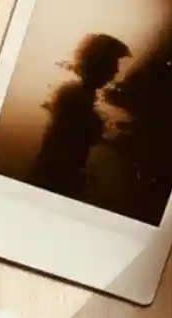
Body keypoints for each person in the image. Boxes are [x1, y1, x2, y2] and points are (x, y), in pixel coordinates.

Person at [27, 33, 131, 200]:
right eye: (113, 62)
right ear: (99, 63)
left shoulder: (79, 94)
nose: (117, 70)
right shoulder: (74, 95)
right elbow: (75, 136)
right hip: (55, 177)